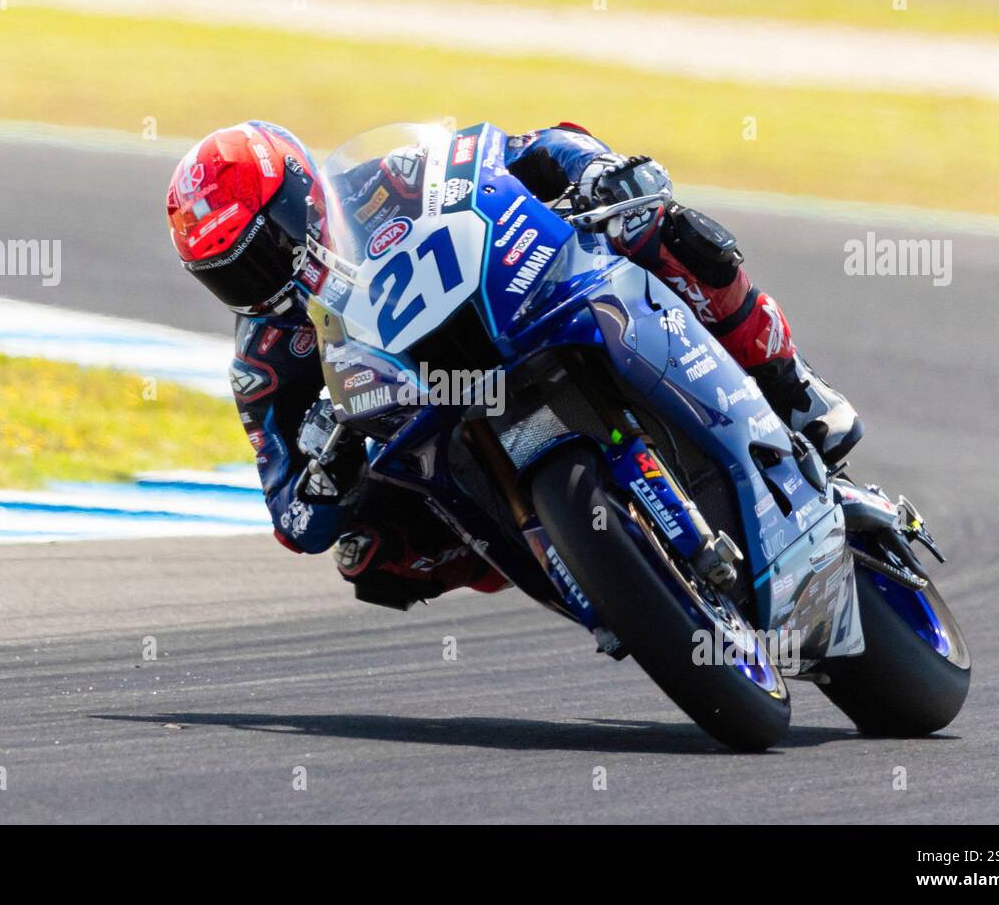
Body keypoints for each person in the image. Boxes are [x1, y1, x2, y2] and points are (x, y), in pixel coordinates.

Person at [165, 120, 862, 610]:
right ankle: (580, 567)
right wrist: (325, 472)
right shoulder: (262, 361)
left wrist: (594, 170)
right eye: (229, 274)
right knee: (369, 555)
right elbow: (291, 517)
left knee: (656, 222)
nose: (258, 279)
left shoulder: (385, 180)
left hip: (518, 306)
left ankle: (791, 385)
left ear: (299, 194)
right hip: (429, 417)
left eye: (262, 248)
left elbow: (527, 147)